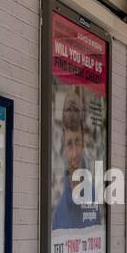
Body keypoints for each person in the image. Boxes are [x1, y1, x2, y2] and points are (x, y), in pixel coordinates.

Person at [52, 90, 101, 230]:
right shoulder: (59, 210)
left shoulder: (93, 198)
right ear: (64, 147)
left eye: (78, 142)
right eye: (69, 144)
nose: (74, 153)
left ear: (84, 141)